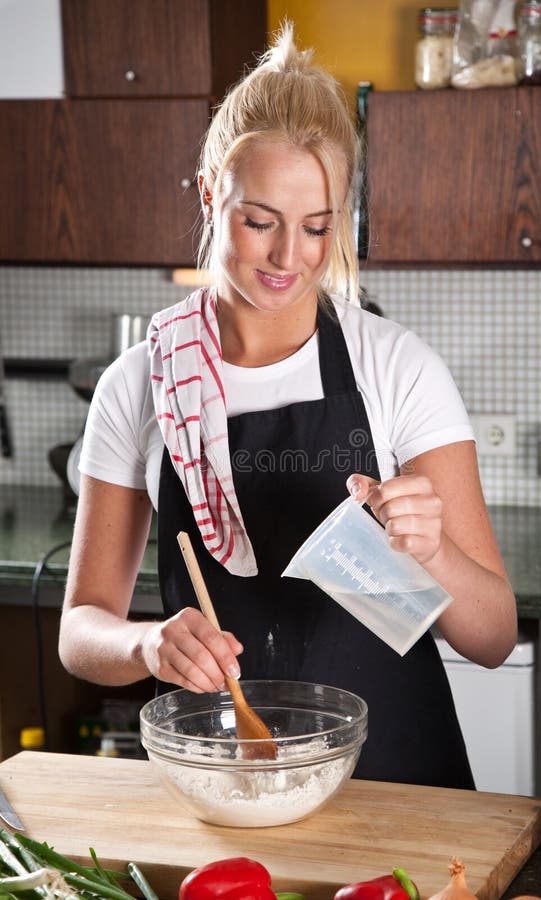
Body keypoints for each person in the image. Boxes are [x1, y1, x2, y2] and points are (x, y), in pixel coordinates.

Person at [59, 23, 517, 790]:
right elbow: (81, 629)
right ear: (210, 194)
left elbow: (495, 637)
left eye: (316, 227)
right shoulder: (143, 382)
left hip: (396, 779)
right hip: (229, 778)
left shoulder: (393, 367)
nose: (288, 258)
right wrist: (145, 646)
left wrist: (430, 551)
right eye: (259, 221)